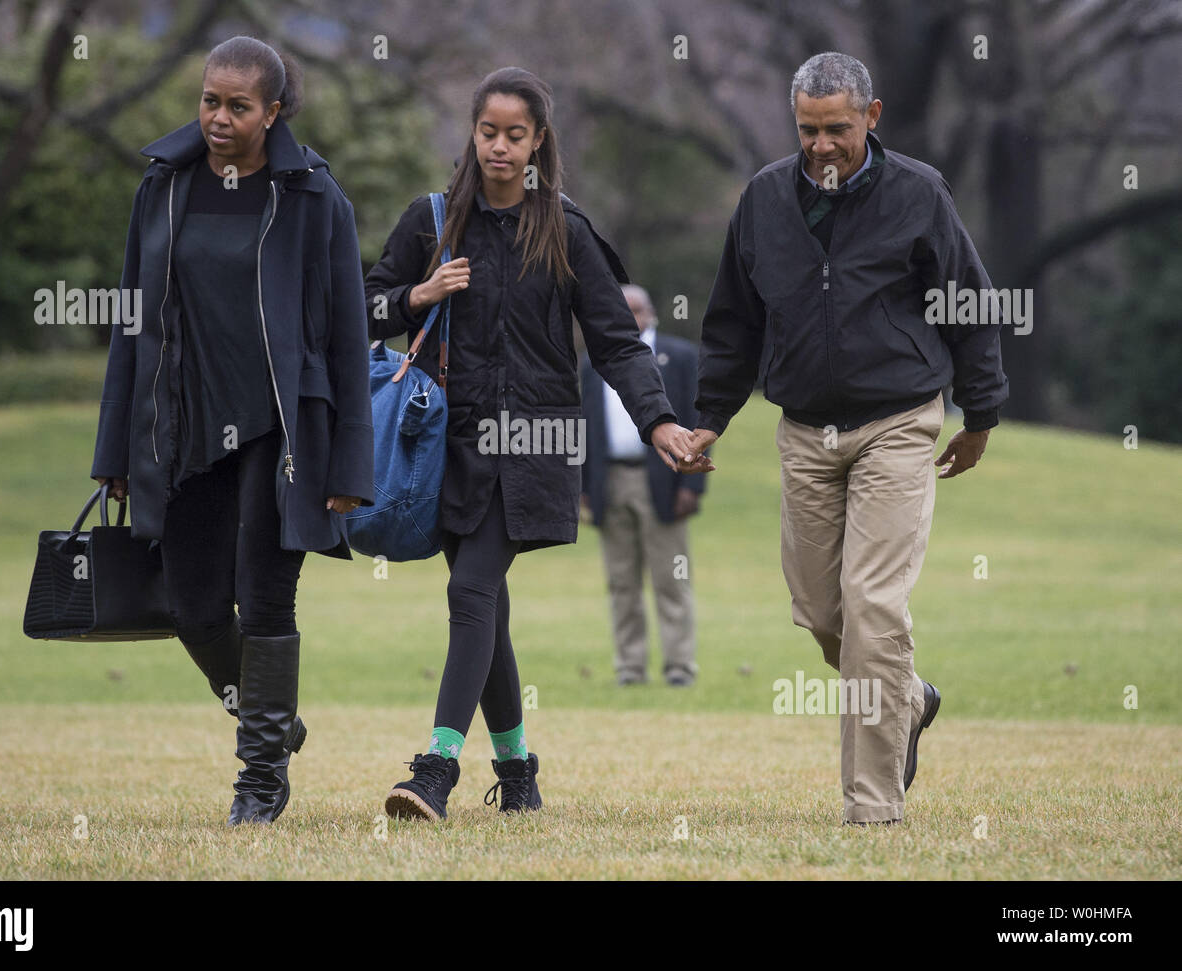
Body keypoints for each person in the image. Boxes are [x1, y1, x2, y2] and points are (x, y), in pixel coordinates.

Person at [678, 52, 1008, 825]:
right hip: (803, 430)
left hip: (898, 421)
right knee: (825, 614)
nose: (822, 145)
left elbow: (970, 303)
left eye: (837, 128)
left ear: (872, 116)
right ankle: (909, 696)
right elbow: (732, 322)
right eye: (807, 130)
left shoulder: (919, 194)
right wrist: (709, 416)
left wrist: (981, 414)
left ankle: (873, 806)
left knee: (872, 606)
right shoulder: (763, 199)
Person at [364, 66, 694, 821]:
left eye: (516, 135)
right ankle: (517, 774)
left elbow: (616, 343)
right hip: (445, 444)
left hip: (536, 445)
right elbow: (361, 309)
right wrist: (419, 294)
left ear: (539, 140)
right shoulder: (429, 221)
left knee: (470, 590)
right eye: (488, 133)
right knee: (487, 609)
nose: (500, 148)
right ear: (472, 134)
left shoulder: (567, 229)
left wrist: (660, 421)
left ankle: (435, 769)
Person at [89, 36, 374, 826]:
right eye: (210, 100)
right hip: (182, 425)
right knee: (193, 606)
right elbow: (130, 320)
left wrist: (349, 461)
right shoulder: (164, 185)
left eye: (238, 105)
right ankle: (274, 719)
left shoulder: (315, 198)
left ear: (273, 111)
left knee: (266, 594)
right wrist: (115, 448)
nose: (218, 117)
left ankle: (259, 781)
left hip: (280, 430)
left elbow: (348, 335)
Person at [580, 284, 707, 687]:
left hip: (664, 478)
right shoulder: (591, 364)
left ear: (650, 313)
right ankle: (630, 668)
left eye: (635, 311)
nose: (630, 319)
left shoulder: (680, 357)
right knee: (621, 582)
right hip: (610, 479)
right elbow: (583, 430)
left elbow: (697, 419)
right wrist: (583, 488)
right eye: (622, 312)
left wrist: (692, 487)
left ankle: (679, 667)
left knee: (671, 579)